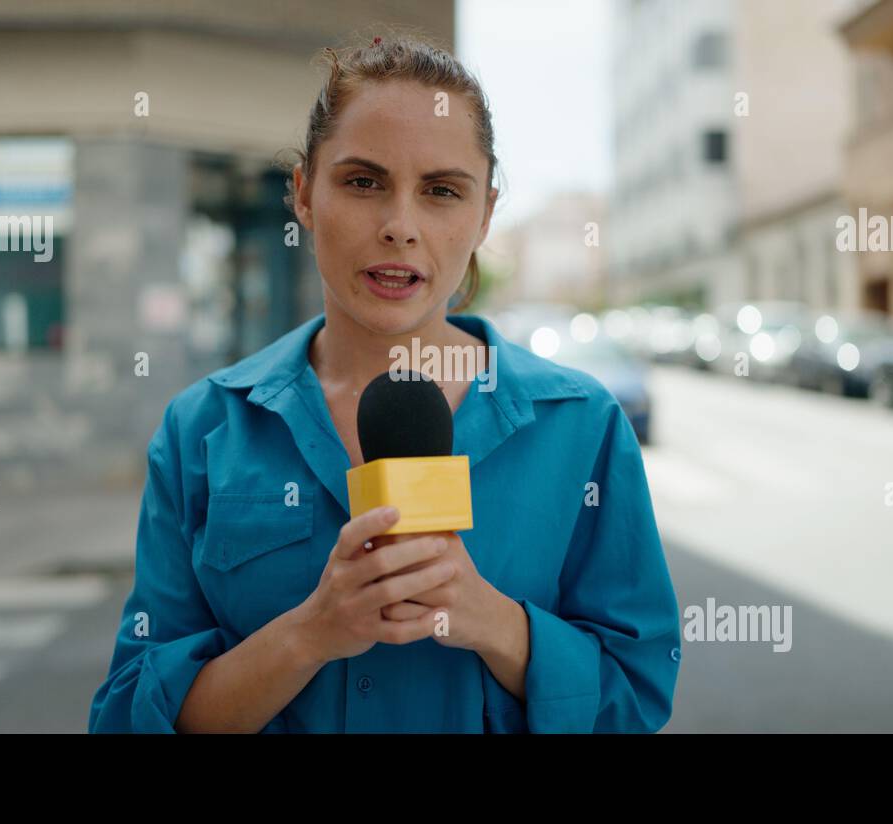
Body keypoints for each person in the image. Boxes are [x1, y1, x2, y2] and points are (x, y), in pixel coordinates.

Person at [89, 29, 681, 733]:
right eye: (364, 182)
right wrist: (310, 633)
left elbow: (635, 699)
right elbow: (130, 715)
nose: (400, 226)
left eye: (440, 191)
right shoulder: (204, 429)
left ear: (485, 214)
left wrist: (496, 624)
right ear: (305, 195)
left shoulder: (580, 426)